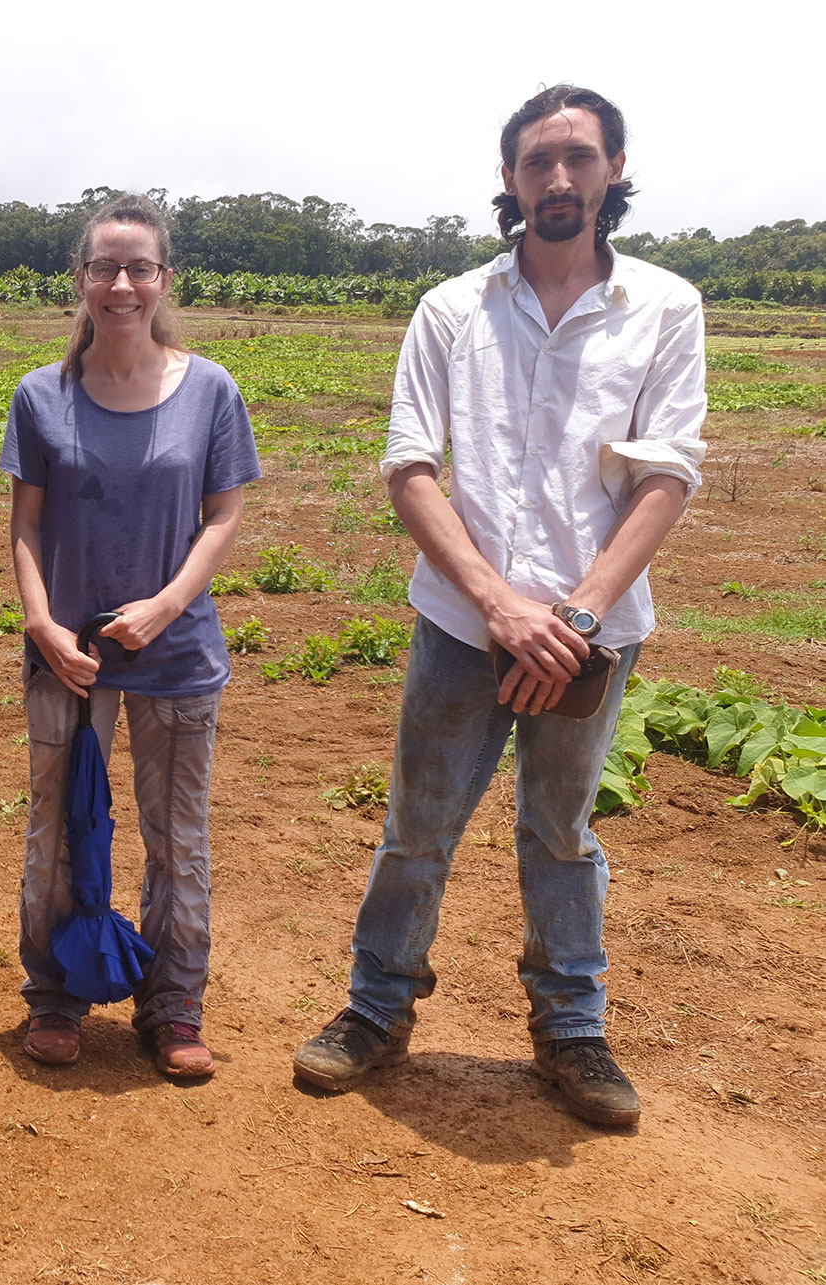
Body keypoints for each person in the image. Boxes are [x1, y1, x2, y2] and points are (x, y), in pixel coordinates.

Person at [292, 85, 707, 1127]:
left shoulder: (664, 308)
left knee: (561, 831)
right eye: (536, 161)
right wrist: (498, 604)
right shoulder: (451, 310)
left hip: (589, 637)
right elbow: (410, 467)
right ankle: (376, 1008)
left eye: (578, 157)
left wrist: (573, 618)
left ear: (613, 169)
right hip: (459, 623)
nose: (557, 178)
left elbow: (666, 477)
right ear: (510, 179)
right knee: (417, 826)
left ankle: (571, 1028)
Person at [3, 193, 261, 1078]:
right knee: (57, 827)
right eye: (105, 268)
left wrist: (167, 604)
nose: (122, 285)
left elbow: (223, 516)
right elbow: (25, 524)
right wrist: (40, 621)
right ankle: (56, 991)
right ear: (81, 279)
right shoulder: (42, 395)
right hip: (68, 657)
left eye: (139, 268)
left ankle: (173, 1001)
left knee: (177, 836)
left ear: (164, 278)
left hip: (176, 655)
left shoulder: (211, 389)